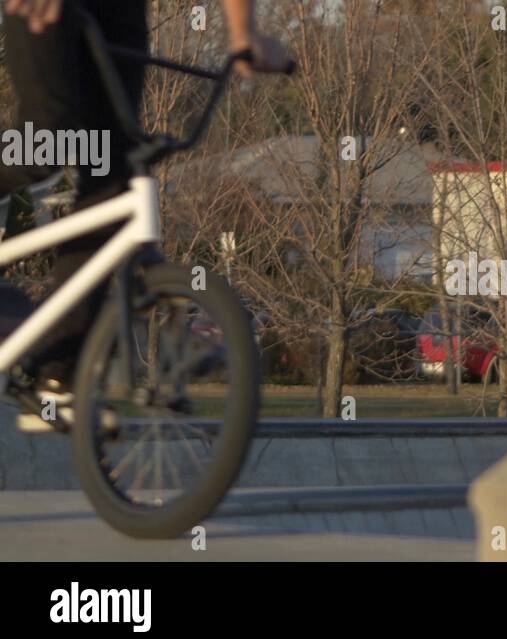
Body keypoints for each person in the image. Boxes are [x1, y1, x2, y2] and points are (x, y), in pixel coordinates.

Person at [0, 0, 290, 397]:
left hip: (119, 14)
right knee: (44, 144)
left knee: (114, 183)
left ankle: (55, 371)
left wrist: (245, 33)